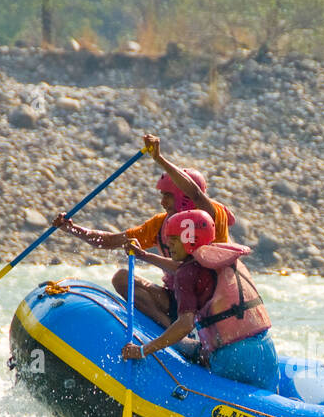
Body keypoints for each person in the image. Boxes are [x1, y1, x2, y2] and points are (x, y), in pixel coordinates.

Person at [53, 133, 238, 328]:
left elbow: (196, 195)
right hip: (178, 299)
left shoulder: (212, 215)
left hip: (214, 304)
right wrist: (72, 229)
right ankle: (170, 330)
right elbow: (110, 241)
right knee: (122, 278)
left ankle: (182, 330)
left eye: (168, 196)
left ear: (184, 197)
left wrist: (159, 159)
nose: (162, 202)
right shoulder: (160, 224)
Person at [121, 209, 277, 390]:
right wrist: (145, 256)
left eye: (174, 239)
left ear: (190, 240)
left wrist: (142, 351)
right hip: (266, 350)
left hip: (231, 357)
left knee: (183, 346)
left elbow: (185, 324)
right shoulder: (223, 258)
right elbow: (186, 268)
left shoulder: (186, 274)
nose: (168, 244)